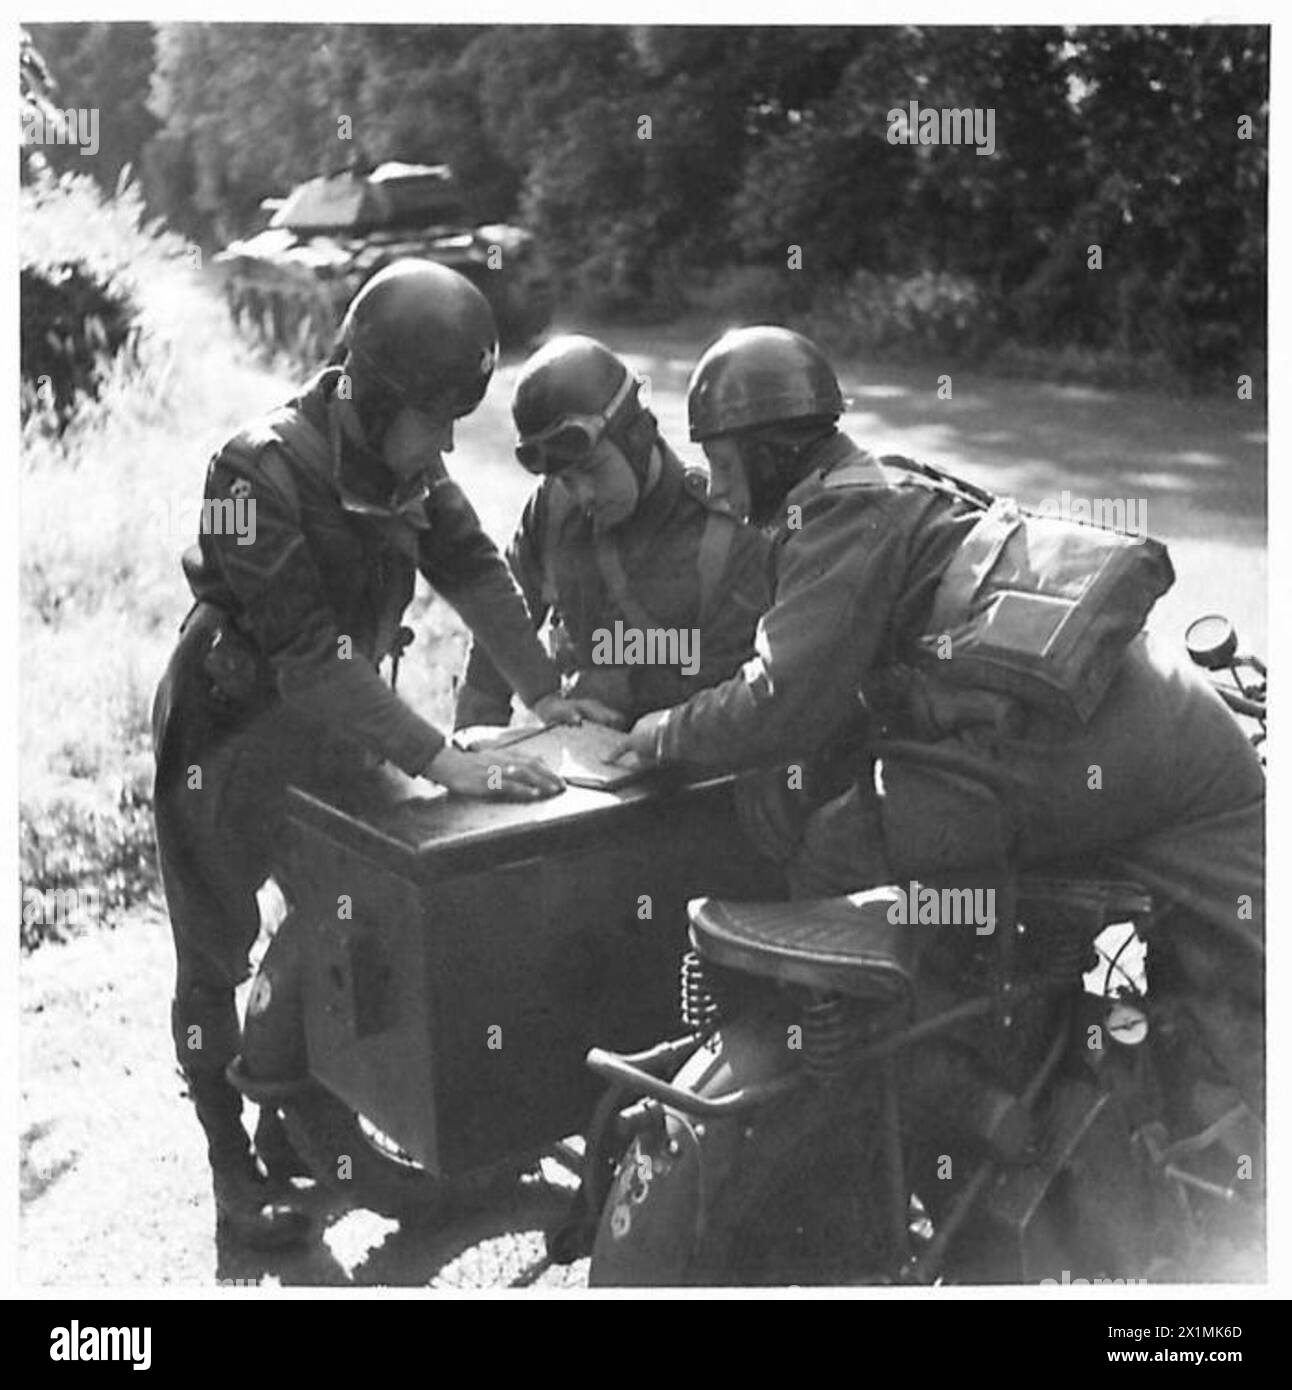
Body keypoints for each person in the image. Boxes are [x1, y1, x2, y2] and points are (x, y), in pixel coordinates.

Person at [613, 325, 1265, 1112]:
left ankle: (875, 1101)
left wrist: (662, 733)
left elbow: (782, 703)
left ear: (774, 452)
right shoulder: (887, 483)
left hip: (1105, 754)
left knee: (832, 849)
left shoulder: (840, 515)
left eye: (722, 466)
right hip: (1129, 737)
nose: (714, 490)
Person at [152, 260, 604, 1248]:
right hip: (225, 736)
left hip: (336, 728)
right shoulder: (251, 473)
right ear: (375, 392)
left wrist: (542, 689)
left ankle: (293, 1108)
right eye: (435, 417)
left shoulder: (404, 464)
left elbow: (473, 565)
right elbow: (308, 657)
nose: (446, 442)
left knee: (358, 914)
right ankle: (233, 1170)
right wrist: (447, 761)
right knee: (213, 953)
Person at [453, 335, 773, 733]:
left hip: (689, 766)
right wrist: (475, 746)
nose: (582, 494)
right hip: (580, 765)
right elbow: (498, 637)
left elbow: (744, 694)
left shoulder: (727, 537)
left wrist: (620, 682)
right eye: (565, 479)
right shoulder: (553, 508)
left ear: (636, 437)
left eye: (590, 470)